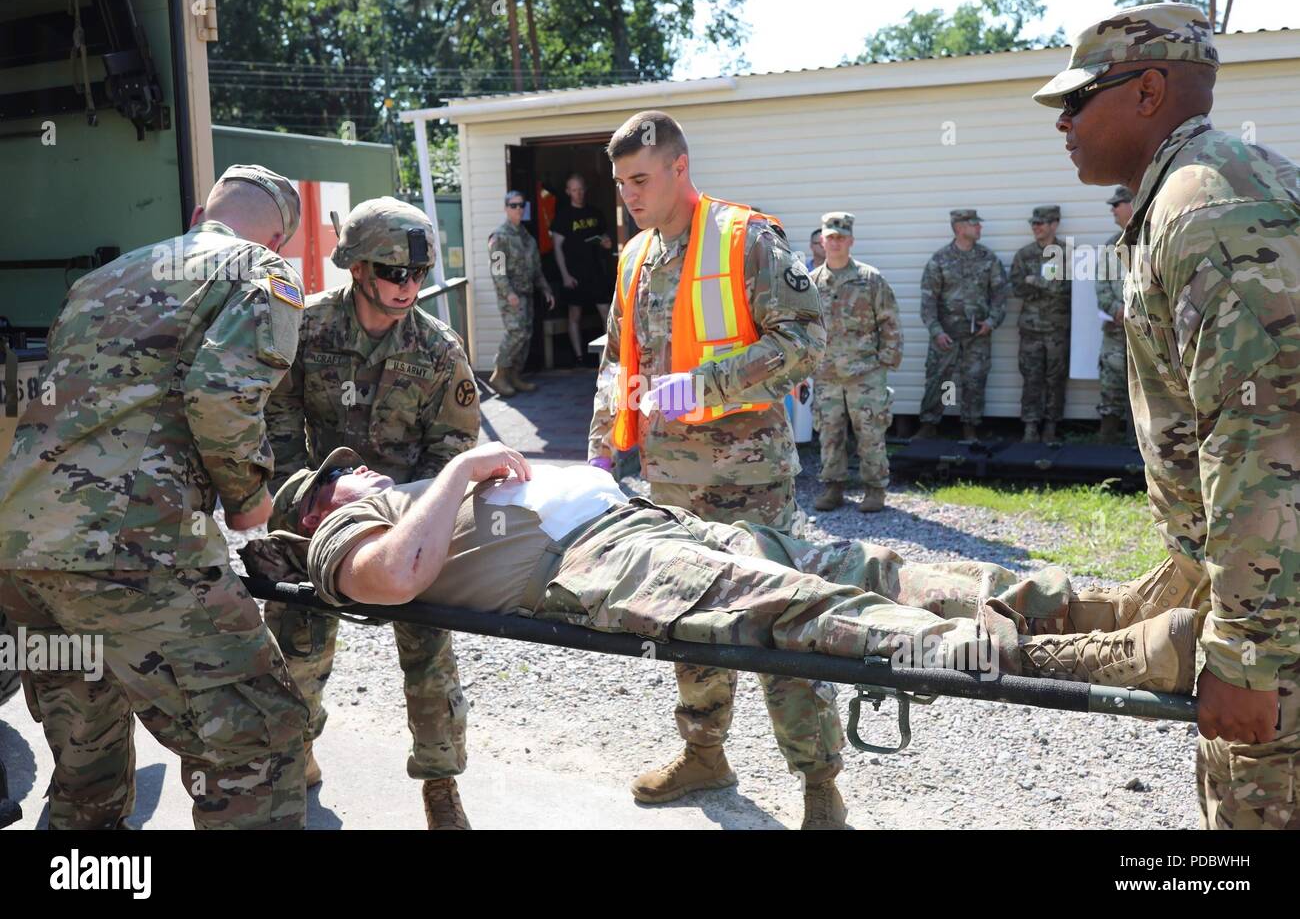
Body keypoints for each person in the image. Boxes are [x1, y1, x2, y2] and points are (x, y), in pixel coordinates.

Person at [237, 443, 1201, 829]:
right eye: (336, 478)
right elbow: (395, 581)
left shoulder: (396, 496)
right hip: (600, 566)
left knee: (860, 566)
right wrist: (450, 477)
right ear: (316, 508)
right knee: (820, 616)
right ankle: (1087, 657)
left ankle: (1094, 603)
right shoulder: (349, 537)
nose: (356, 471)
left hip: (641, 522)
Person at [1036, 0, 1300, 830]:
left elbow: (1262, 442)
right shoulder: (1226, 183)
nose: (1064, 124)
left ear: (1149, 90)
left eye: (1078, 101)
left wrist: (1245, 655)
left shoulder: (1207, 213)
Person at [0, 165, 310, 829]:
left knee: (88, 764)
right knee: (261, 740)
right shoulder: (260, 272)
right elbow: (222, 395)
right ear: (278, 239)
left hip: (21, 550)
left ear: (199, 215)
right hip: (133, 546)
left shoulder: (98, 281)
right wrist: (249, 500)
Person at [586, 110, 849, 827]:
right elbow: (617, 361)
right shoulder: (637, 256)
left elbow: (806, 340)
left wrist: (708, 386)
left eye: (640, 179)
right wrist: (601, 454)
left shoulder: (745, 239)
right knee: (687, 621)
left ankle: (819, 784)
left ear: (679, 167)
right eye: (620, 184)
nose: (630, 196)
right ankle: (705, 752)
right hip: (669, 484)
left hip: (749, 482)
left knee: (775, 625)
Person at [263, 196, 481, 828]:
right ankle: (295, 752)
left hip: (408, 521)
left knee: (430, 659)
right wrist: (292, 497)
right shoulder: (306, 328)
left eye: (418, 274)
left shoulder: (439, 349)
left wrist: (419, 516)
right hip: (318, 515)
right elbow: (275, 417)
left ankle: (441, 787)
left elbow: (455, 449)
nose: (408, 286)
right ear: (357, 268)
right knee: (294, 651)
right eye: (394, 273)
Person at [809, 212, 902, 513]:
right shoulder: (810, 283)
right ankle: (833, 488)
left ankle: (875, 490)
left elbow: (889, 322)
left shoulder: (869, 279)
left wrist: (885, 363)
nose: (834, 242)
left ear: (851, 241)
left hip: (865, 373)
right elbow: (804, 327)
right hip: (826, 373)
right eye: (829, 237)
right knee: (829, 433)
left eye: (840, 237)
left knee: (871, 433)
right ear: (821, 241)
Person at [916, 210, 1009, 440]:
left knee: (974, 381)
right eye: (974, 224)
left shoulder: (988, 259)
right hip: (946, 335)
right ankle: (930, 425)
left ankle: (970, 427)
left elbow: (1000, 294)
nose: (979, 228)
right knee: (940, 381)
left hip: (978, 335)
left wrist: (991, 322)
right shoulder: (940, 260)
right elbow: (928, 301)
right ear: (959, 228)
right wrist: (936, 331)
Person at [1010, 205, 1072, 443]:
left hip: (1058, 329)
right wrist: (1047, 285)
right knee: (1031, 378)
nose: (1036, 227)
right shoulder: (1024, 255)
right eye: (1033, 224)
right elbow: (1017, 288)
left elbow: (1067, 289)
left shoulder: (1068, 253)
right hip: (1031, 330)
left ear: (1054, 224)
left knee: (1056, 380)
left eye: (1041, 223)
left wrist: (1036, 281)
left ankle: (1051, 426)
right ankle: (1030, 426)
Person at [488, 191, 555, 397]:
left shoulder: (527, 238)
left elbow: (536, 270)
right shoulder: (499, 237)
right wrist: (508, 294)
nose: (518, 209)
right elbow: (498, 271)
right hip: (511, 296)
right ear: (506, 208)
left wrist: (546, 289)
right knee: (515, 333)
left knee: (525, 336)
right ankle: (499, 375)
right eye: (514, 205)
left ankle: (514, 375)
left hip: (526, 294)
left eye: (521, 205)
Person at [550, 173, 614, 365]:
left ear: (585, 190)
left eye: (581, 189)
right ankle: (579, 357)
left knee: (606, 313)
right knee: (574, 315)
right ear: (568, 191)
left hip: (596, 271)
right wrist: (565, 276)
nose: (578, 193)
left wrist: (606, 243)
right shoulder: (563, 217)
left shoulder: (595, 213)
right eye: (574, 190)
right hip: (574, 274)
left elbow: (607, 240)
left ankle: (609, 357)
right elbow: (557, 247)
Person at [1096, 187, 1134, 442]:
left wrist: (1135, 311)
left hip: (1145, 332)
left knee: (1143, 386)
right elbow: (1100, 284)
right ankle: (1107, 440)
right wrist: (1115, 309)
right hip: (1115, 329)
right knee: (1111, 382)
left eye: (1117, 204)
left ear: (1133, 204)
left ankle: (1138, 444)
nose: (1112, 209)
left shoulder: (1153, 240)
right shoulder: (1112, 245)